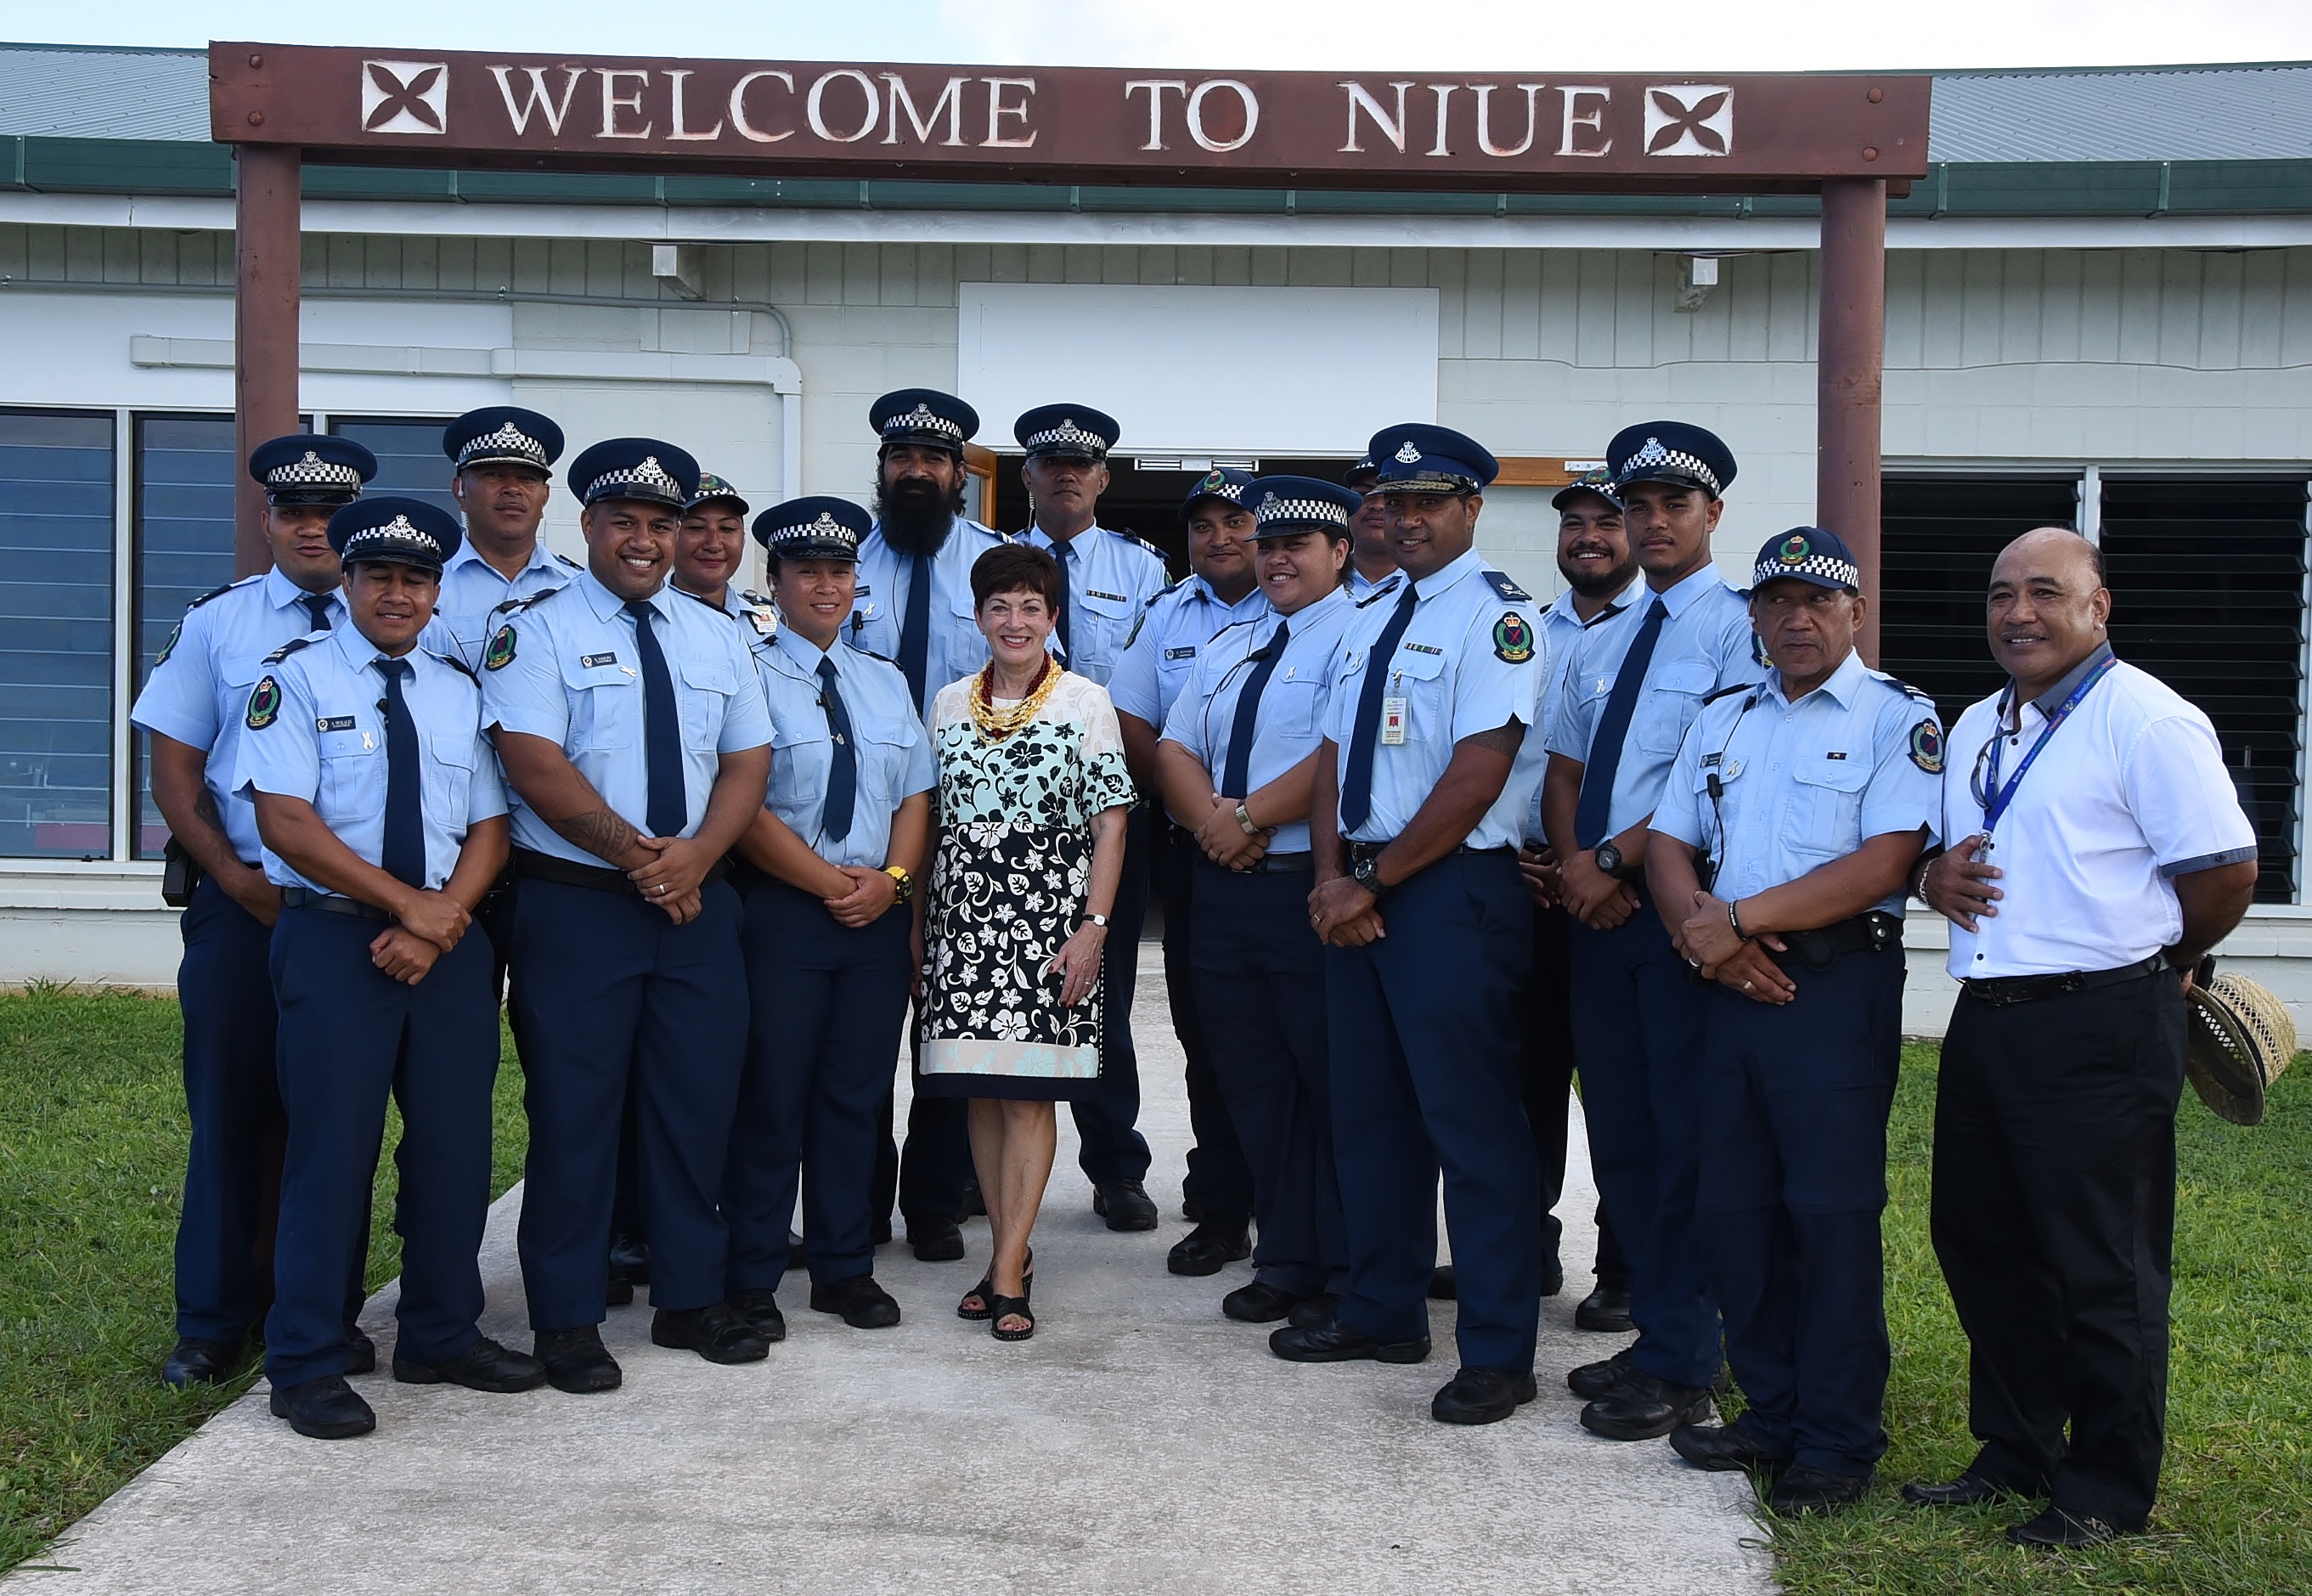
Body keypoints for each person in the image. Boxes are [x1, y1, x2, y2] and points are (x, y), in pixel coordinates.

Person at [1911, 527, 2257, 1548]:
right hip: (1989, 1016)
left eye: (2045, 593)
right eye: (2000, 594)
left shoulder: (2147, 720)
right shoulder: (1980, 720)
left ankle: (2105, 1485)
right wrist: (1932, 877)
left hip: (2102, 1018)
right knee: (1982, 1238)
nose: (2018, 613)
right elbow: (1950, 849)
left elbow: (2224, 873)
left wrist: (2158, 956)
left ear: (2097, 608)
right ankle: (2015, 1448)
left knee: (2100, 1260)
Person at [1646, 527, 1939, 1514]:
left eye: (1816, 602)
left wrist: (1736, 923)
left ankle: (1836, 1440)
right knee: (1735, 1213)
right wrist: (1709, 941)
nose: (1795, 618)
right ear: (1755, 617)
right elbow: (1668, 843)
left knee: (1829, 1217)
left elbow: (1885, 860)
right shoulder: (1725, 717)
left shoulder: (1895, 719)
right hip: (1724, 989)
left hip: (1833, 991)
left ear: (1855, 613)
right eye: (1775, 602)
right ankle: (1768, 1408)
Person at [236, 497, 543, 1439]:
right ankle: (307, 1358)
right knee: (333, 1152)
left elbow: (491, 825)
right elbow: (286, 821)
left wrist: (440, 917)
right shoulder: (294, 681)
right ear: (352, 584)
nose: (398, 595)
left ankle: (440, 1332)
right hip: (336, 940)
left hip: (447, 945)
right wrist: (409, 905)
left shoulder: (459, 690)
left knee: (453, 1148)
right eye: (381, 578)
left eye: (416, 580)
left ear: (436, 590)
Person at [1270, 423, 1549, 1430]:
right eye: (1393, 502)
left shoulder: (1499, 621)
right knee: (1372, 1115)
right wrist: (1333, 874)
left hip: (1449, 897)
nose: (1407, 518)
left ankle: (1499, 1352)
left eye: (1430, 501)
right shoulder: (1364, 615)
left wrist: (1373, 880)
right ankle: (1382, 1308)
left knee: (1472, 1129)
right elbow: (1334, 761)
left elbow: (1478, 773)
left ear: (1472, 508)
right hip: (1361, 890)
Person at [481, 438, 775, 1391]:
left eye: (662, 525)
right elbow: (533, 762)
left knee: (696, 1109)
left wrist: (693, 857)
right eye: (625, 523)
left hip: (695, 907)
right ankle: (567, 1317)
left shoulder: (716, 633)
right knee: (576, 1118)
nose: (644, 542)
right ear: (590, 527)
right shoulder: (536, 627)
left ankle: (690, 1298)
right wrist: (646, 860)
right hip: (579, 910)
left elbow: (747, 763)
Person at [131, 431, 377, 1389]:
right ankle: (213, 1320)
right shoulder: (220, 624)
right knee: (231, 1112)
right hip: (242, 905)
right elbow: (175, 770)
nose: (312, 527)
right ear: (267, 520)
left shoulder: (403, 623)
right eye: (293, 511)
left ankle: (322, 1311)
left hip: (355, 912)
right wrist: (237, 879)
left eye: (329, 513)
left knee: (337, 1118)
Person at [1541, 421, 1757, 1442]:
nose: (1653, 521)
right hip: (1598, 916)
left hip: (1675, 913)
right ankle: (1657, 1326)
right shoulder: (1602, 637)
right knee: (1622, 1139)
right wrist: (1579, 867)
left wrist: (1614, 865)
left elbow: (1711, 777)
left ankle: (1688, 1358)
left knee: (1682, 1142)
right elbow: (1565, 769)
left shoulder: (1737, 629)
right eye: (1639, 505)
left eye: (1675, 504)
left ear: (1712, 514)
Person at [721, 497, 933, 1340]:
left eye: (839, 571)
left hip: (874, 917)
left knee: (856, 1095)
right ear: (773, 580)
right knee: (772, 1097)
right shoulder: (746, 671)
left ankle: (846, 1267)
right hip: (786, 912)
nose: (825, 585)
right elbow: (743, 802)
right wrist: (827, 884)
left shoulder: (883, 680)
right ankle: (752, 1272)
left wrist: (891, 881)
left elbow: (916, 793)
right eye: (806, 570)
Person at [916, 543, 1136, 1342]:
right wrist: (921, 931)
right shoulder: (945, 703)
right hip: (963, 918)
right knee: (981, 1087)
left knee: (1028, 1092)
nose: (1015, 621)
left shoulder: (1086, 700)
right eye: (999, 607)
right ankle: (1010, 1251)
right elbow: (932, 819)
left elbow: (1111, 820)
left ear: (1052, 617)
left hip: (1050, 918)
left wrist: (1095, 927)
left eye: (1031, 607)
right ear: (977, 617)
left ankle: (1008, 1269)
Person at [1156, 476, 1362, 1324]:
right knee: (1252, 1079)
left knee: (1327, 1083)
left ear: (1340, 552)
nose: (1276, 558)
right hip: (1223, 885)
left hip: (1298, 888)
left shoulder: (1359, 636)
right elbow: (1173, 742)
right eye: (1267, 544)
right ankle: (1285, 1254)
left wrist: (1240, 816)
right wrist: (1211, 821)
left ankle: (1348, 1261)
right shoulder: (1233, 638)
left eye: (1297, 545)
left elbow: (1336, 753)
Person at [849, 389, 1008, 1263]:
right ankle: (860, 1195)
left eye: (933, 460)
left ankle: (938, 1198)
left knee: (951, 1016)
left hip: (968, 824)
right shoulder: (843, 563)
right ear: (882, 470)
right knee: (866, 1017)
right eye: (900, 458)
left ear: (958, 475)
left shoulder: (995, 567)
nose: (915, 472)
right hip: (865, 821)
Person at [1012, 404, 1170, 1232]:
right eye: (1050, 463)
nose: (1066, 474)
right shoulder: (991, 562)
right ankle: (987, 1164)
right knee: (1007, 983)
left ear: (1104, 479)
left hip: (1109, 810)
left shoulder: (1142, 570)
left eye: (1082, 465)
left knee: (1099, 990)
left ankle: (1115, 1165)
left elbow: (1147, 695)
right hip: (1015, 818)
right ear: (1026, 476)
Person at [1110, 469, 1268, 1276]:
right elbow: (1133, 717)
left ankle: (1291, 1208)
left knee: (1290, 1040)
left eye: (1236, 521)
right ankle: (1221, 1201)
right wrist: (1207, 817)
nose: (1220, 537)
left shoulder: (1313, 607)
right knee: (1206, 1034)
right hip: (1195, 855)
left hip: (1289, 856)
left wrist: (1242, 821)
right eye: (1203, 525)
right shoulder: (1168, 614)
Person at [1499, 469, 1644, 1332]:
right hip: (1529, 884)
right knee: (1526, 1079)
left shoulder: (1660, 632)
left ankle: (1623, 1264)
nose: (1587, 537)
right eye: (1574, 524)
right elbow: (1508, 755)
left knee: (1623, 1085)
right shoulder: (1531, 630)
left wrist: (1598, 865)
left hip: (1625, 891)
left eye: (1606, 523)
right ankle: (1526, 1240)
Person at [424, 407, 577, 669]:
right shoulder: (425, 588)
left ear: (545, 497)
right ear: (459, 489)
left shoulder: (575, 588)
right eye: (493, 475)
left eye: (527, 479)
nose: (512, 489)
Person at [1341, 454, 1402, 602]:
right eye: (1364, 494)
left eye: (1392, 497)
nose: (1378, 505)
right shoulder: (1318, 582)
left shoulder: (1428, 582)